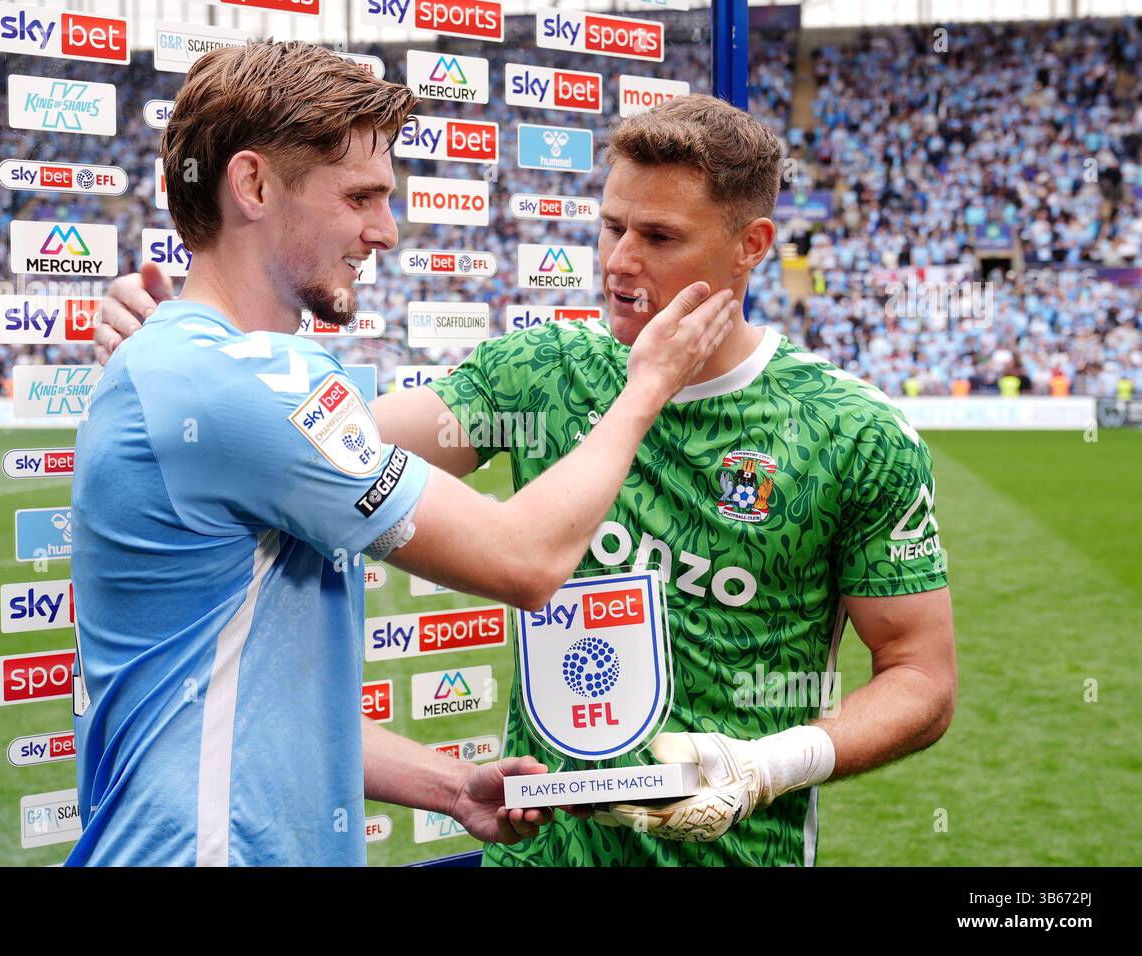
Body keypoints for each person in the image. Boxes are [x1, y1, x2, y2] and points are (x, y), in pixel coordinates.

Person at [96, 92, 956, 867]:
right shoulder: (546, 371)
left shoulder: (853, 431)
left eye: (658, 237)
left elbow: (920, 676)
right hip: (540, 857)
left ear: (750, 248)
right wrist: (188, 345)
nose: (621, 260)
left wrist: (770, 765)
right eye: (612, 225)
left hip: (740, 856)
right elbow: (339, 436)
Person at [67, 41, 736, 867]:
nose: (384, 231)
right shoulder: (230, 380)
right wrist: (645, 389)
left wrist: (452, 787)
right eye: (360, 197)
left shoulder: (190, 362)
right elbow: (524, 560)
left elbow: (251, 706)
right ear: (252, 186)